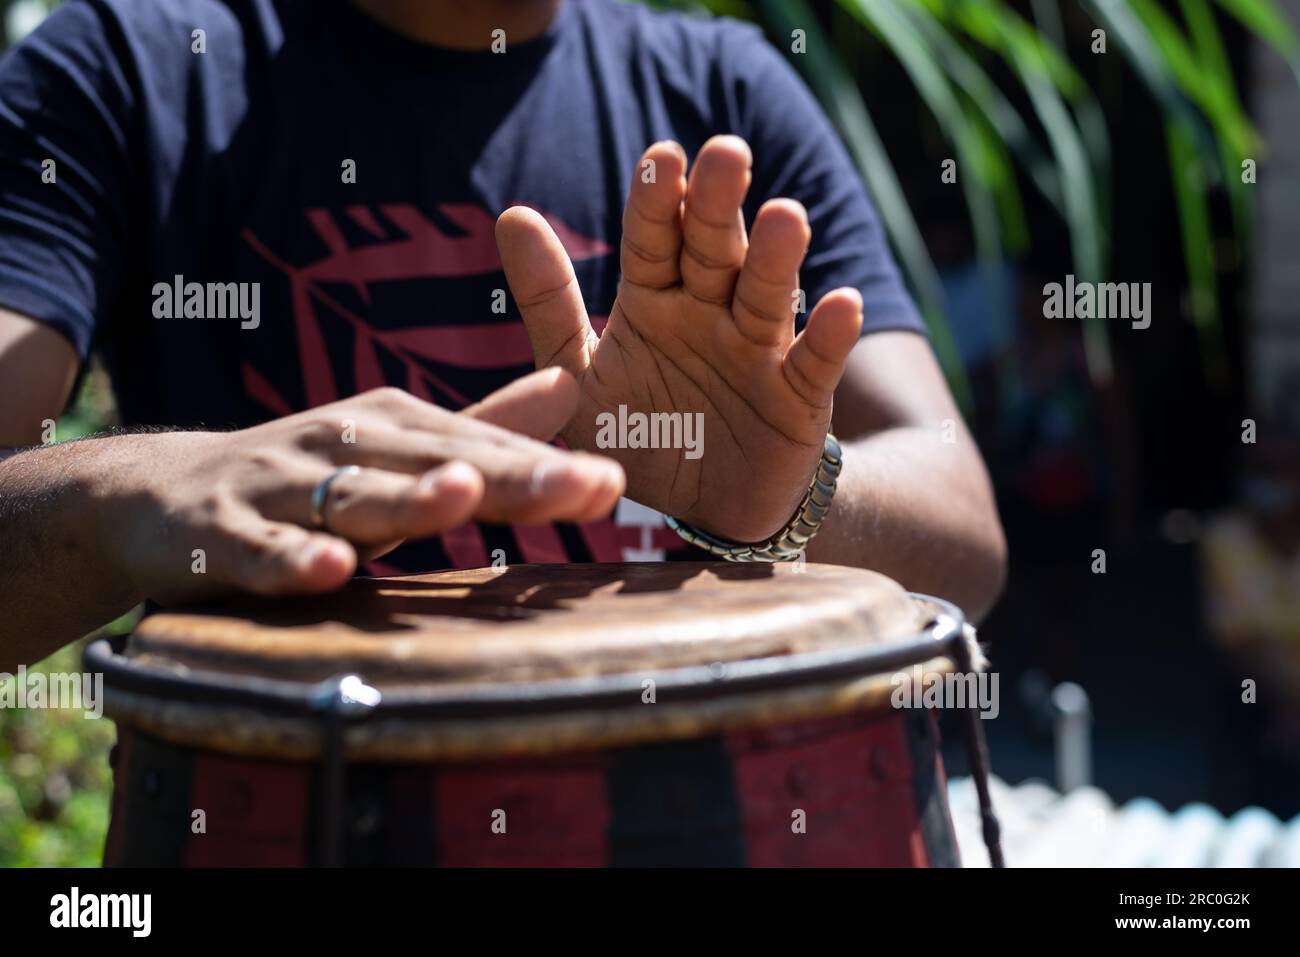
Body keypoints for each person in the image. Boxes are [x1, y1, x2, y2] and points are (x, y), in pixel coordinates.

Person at [0, 0, 1006, 672]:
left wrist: (783, 498)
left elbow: (964, 537)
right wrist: (129, 496)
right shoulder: (123, 70)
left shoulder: (725, 88)